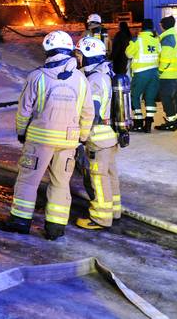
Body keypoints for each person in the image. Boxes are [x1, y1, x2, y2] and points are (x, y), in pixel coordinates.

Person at [0, 31, 94, 240]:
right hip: (68, 141)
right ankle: (55, 228)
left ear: (48, 51)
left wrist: (22, 132)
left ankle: (20, 221)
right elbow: (88, 112)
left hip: (39, 140)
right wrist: (82, 137)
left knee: (28, 181)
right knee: (61, 183)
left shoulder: (37, 76)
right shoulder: (80, 79)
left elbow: (24, 110)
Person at [74, 36, 121, 230]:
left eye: (80, 54)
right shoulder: (105, 74)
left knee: (98, 178)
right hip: (109, 135)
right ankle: (114, 210)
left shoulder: (93, 79)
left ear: (88, 56)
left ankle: (100, 218)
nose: (78, 59)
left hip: (97, 137)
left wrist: (81, 137)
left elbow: (90, 111)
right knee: (110, 174)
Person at [125, 19, 160, 133]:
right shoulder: (156, 40)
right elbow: (160, 53)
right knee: (150, 98)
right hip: (154, 72)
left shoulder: (137, 40)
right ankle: (149, 122)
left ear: (142, 28)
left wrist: (131, 43)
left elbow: (128, 54)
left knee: (135, 96)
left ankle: (138, 123)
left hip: (141, 73)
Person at [154, 15, 177, 131]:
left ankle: (170, 122)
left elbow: (165, 58)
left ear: (164, 25)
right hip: (175, 73)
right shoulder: (175, 36)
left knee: (167, 98)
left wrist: (159, 72)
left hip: (167, 75)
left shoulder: (167, 39)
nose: (160, 26)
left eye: (161, 25)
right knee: (175, 98)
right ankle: (176, 121)